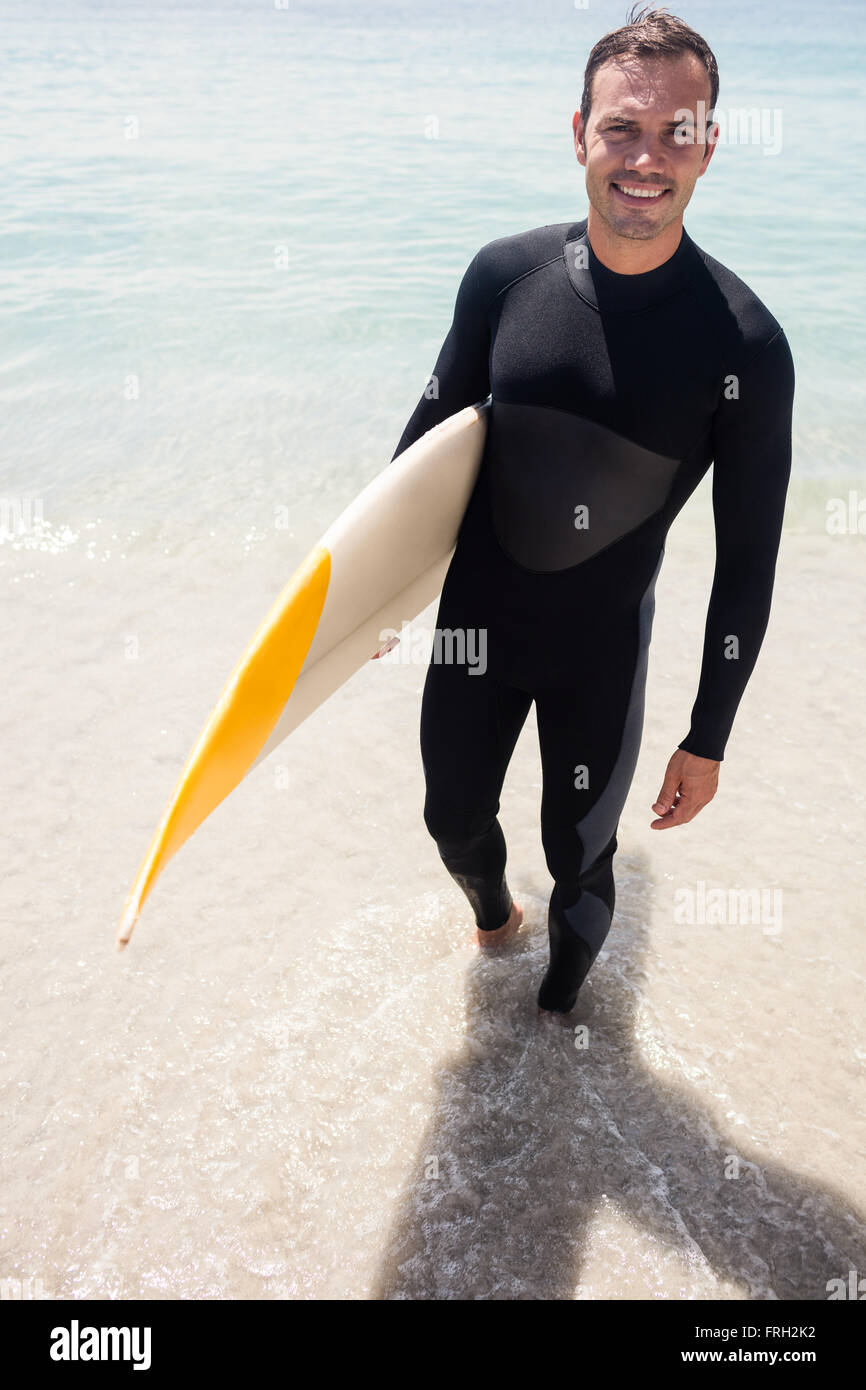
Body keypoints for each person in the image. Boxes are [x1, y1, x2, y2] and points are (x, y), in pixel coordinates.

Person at [390, 5, 795, 1017]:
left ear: (708, 148)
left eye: (674, 132)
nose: (644, 158)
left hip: (599, 650)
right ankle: (491, 922)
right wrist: (362, 605)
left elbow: (746, 556)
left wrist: (708, 733)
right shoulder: (503, 278)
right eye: (621, 127)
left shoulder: (743, 347)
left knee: (580, 862)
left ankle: (556, 1043)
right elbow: (419, 451)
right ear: (578, 134)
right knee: (450, 822)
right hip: (474, 631)